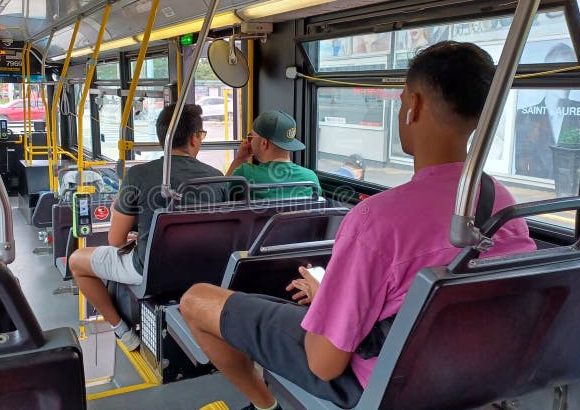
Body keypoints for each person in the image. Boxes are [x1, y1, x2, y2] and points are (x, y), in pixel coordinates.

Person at [178, 41, 536, 410]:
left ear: (414, 106)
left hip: (381, 384)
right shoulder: (503, 205)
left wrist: (324, 302)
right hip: (467, 374)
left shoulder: (377, 219)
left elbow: (325, 363)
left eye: (399, 103)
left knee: (196, 300)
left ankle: (266, 405)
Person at [68, 104, 226, 351]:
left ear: (161, 138)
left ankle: (122, 330)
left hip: (151, 270)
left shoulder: (139, 175)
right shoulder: (219, 177)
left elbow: (115, 239)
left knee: (77, 261)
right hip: (207, 267)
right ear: (195, 138)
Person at [514, 43, 580, 179]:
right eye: (561, 72)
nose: (567, 79)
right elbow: (522, 164)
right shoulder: (525, 116)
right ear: (547, 74)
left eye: (572, 72)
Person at [227, 111, 321, 199]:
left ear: (264, 143)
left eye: (250, 137)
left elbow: (219, 193)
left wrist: (240, 159)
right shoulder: (311, 179)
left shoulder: (244, 173)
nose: (249, 141)